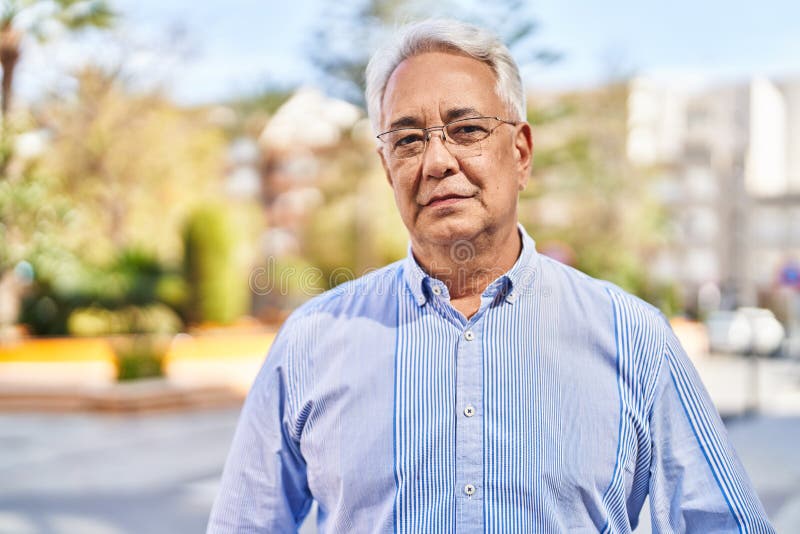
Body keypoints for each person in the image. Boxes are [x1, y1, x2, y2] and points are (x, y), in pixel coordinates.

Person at [207, 19, 774, 533]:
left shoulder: (633, 338)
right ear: (387, 168)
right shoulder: (311, 342)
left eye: (467, 129)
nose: (436, 161)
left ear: (521, 153)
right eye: (407, 139)